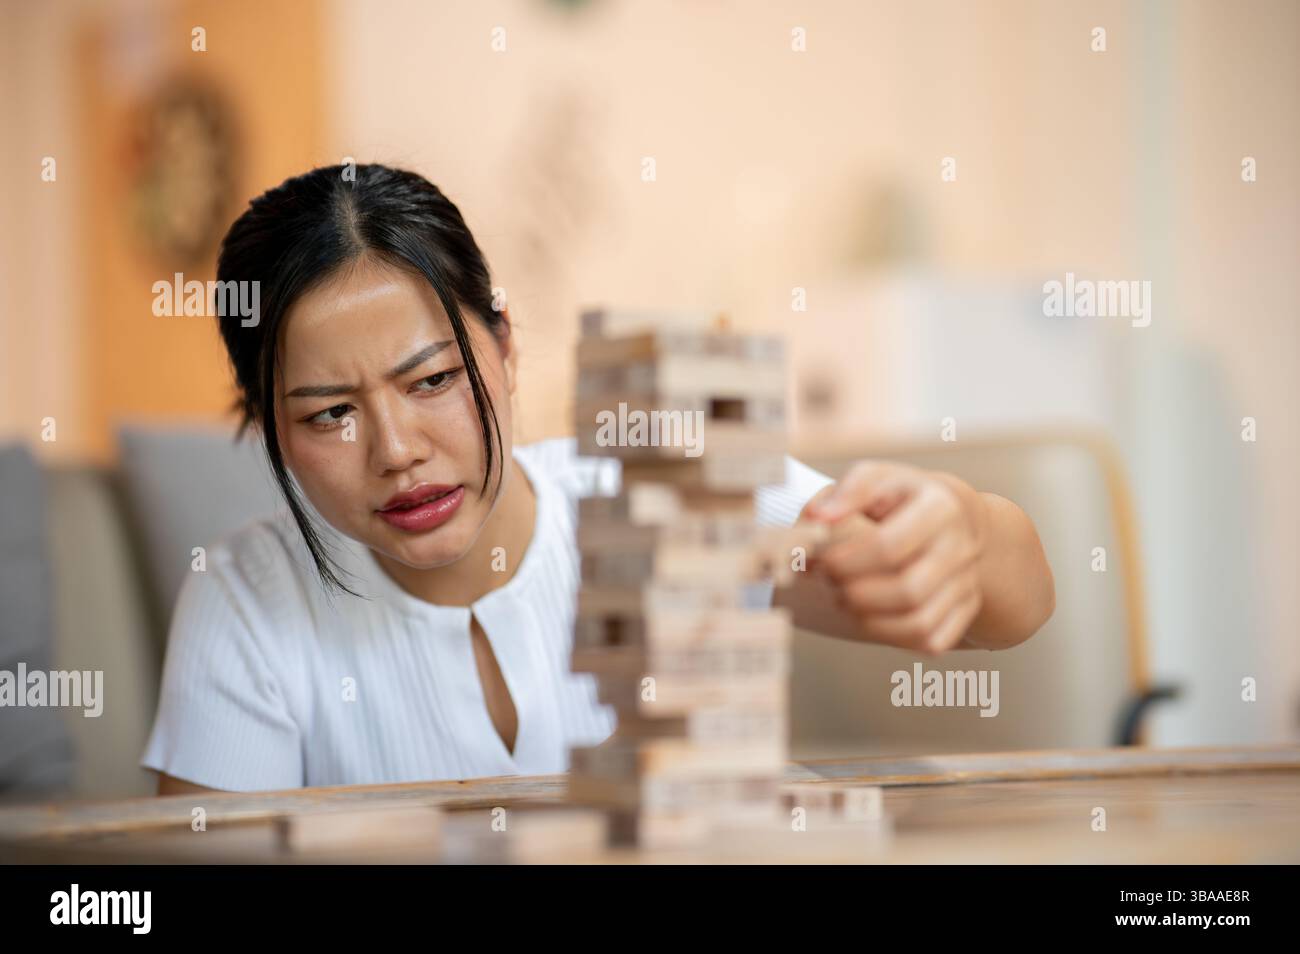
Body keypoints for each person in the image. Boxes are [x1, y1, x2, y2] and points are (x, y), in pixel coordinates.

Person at [143, 164, 1055, 795]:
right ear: (267, 426)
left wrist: (963, 531)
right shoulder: (247, 601)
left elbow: (1011, 608)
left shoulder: (647, 482)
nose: (396, 449)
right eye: (327, 413)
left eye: (432, 380)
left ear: (503, 345)